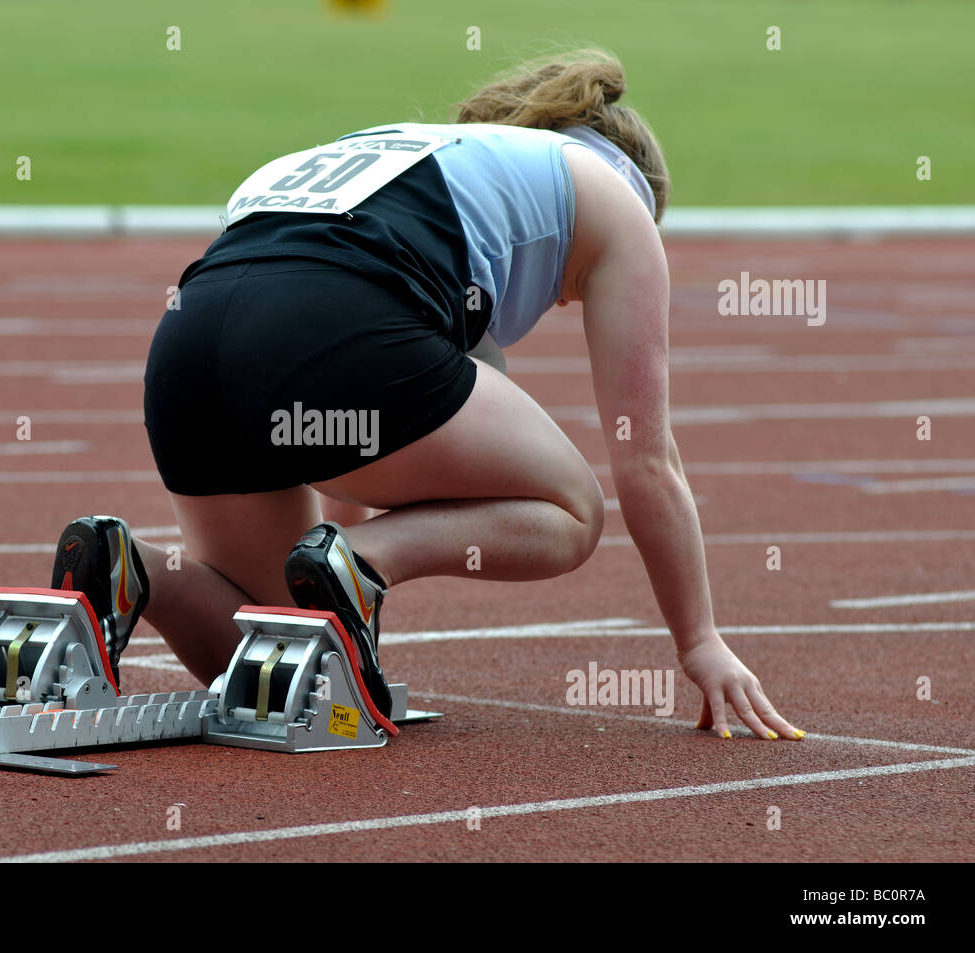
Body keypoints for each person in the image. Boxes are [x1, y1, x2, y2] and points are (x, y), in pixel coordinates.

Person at [51, 49, 804, 741]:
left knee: (282, 651)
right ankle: (362, 564)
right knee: (575, 510)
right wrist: (699, 641)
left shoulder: (426, 157)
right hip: (336, 323)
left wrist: (333, 598)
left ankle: (134, 566)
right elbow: (648, 460)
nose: (569, 304)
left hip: (188, 345)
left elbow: (362, 446)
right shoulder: (612, 200)